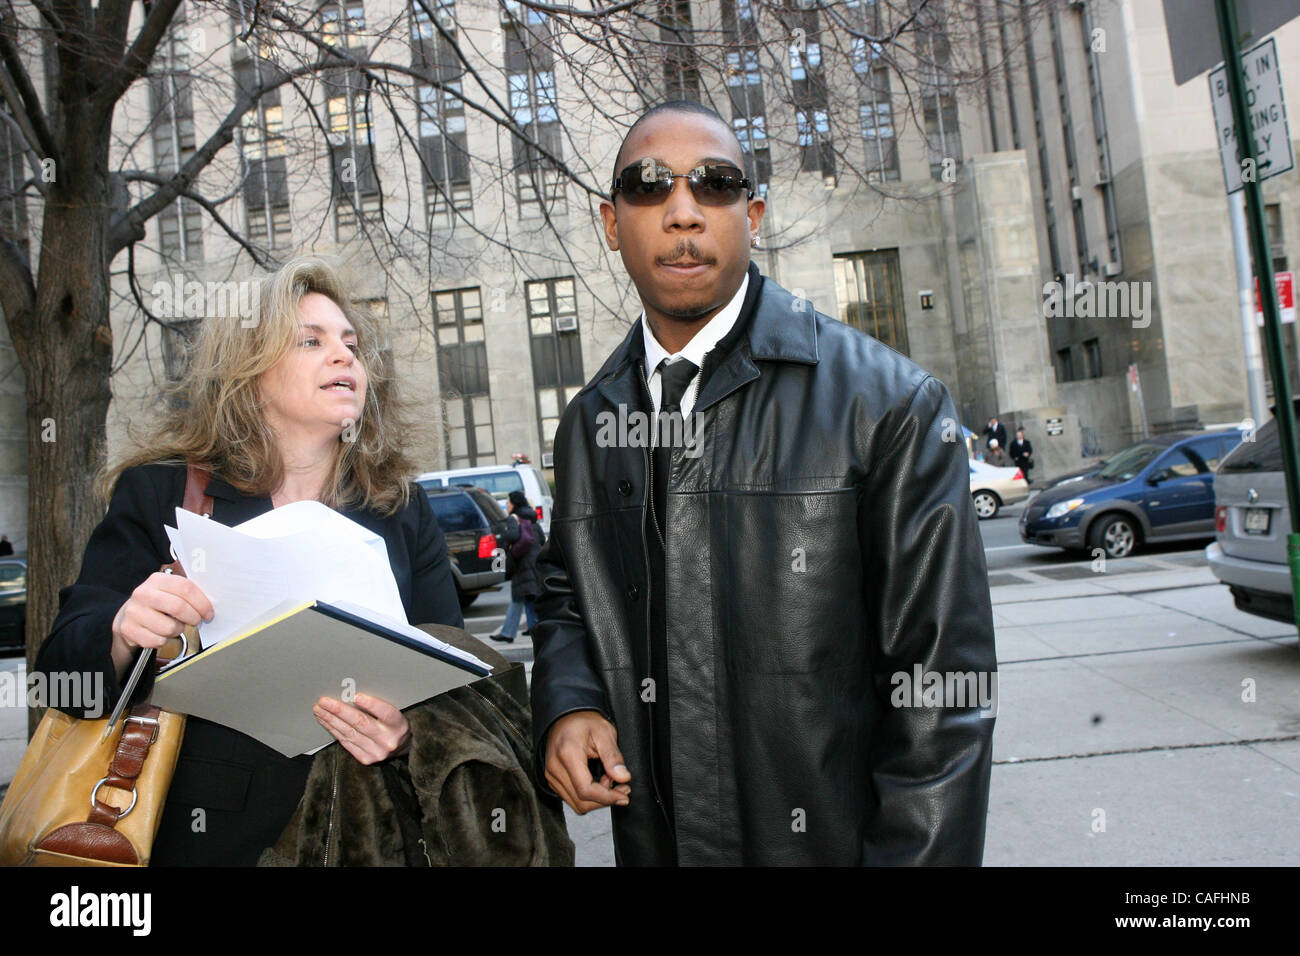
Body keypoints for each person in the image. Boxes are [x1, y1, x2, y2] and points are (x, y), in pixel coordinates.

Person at [529, 101, 996, 865]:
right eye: (649, 186)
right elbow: (566, 593)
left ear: (753, 214)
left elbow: (942, 695)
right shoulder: (592, 422)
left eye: (713, 185)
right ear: (612, 224)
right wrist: (569, 703)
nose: (683, 212)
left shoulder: (890, 404)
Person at [33, 255, 464, 866]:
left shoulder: (400, 506)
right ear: (250, 373)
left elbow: (453, 674)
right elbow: (59, 675)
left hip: (375, 833)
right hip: (213, 840)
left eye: (351, 344)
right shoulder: (163, 491)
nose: (344, 356)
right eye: (309, 342)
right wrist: (124, 631)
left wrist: (407, 735)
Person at [489, 490, 543, 643]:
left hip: (522, 563)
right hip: (533, 561)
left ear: (514, 504)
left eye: (508, 502)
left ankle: (508, 632)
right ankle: (534, 629)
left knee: (519, 597)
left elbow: (513, 536)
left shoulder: (514, 518)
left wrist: (501, 535)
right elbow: (540, 538)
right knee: (528, 598)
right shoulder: (532, 517)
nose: (506, 505)